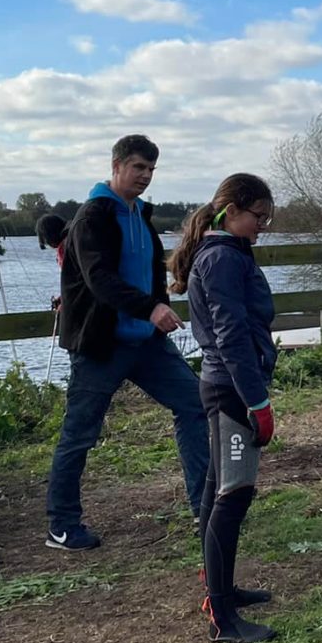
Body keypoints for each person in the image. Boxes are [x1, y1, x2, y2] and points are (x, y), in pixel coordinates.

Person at [47, 135, 209, 551]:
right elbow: (99, 278)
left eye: (151, 169)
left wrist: (160, 301)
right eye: (138, 167)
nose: (145, 176)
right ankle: (62, 525)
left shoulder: (139, 215)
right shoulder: (92, 217)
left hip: (146, 344)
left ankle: (204, 507)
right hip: (101, 344)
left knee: (194, 403)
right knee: (80, 433)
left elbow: (147, 272)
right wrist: (150, 308)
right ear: (116, 165)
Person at [171, 173, 280, 643]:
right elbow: (231, 336)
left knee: (220, 491)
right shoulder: (220, 259)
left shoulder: (227, 252)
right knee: (232, 498)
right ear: (231, 211)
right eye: (258, 217)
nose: (261, 227)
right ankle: (221, 617)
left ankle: (222, 590)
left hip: (225, 385)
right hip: (230, 389)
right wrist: (258, 402)